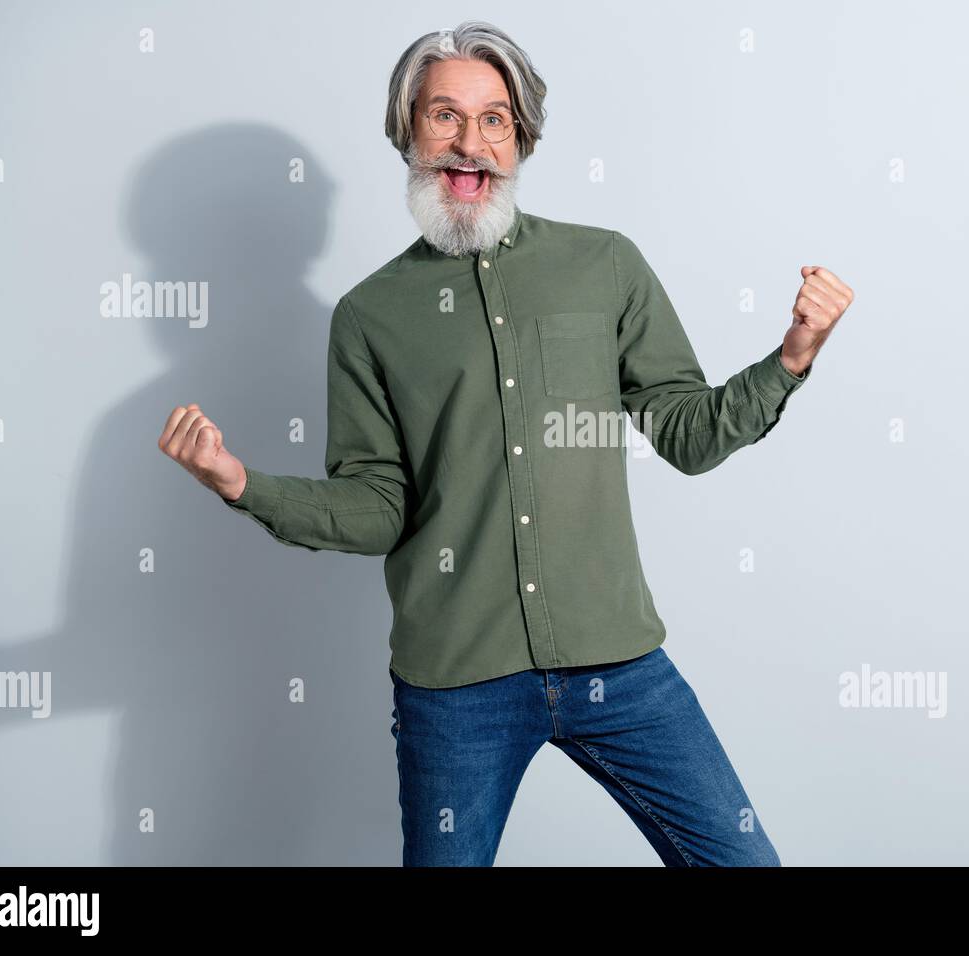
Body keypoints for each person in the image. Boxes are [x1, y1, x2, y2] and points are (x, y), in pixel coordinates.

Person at [157, 19, 853, 866]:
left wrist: (790, 359)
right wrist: (242, 482)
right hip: (455, 690)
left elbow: (687, 434)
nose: (470, 142)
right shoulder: (370, 317)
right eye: (444, 115)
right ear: (407, 131)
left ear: (521, 138)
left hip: (620, 665)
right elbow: (379, 506)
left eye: (495, 119)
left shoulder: (604, 266)